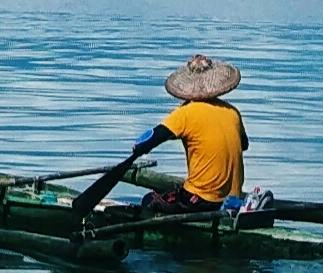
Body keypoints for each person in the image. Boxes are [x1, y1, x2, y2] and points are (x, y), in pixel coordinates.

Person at [78, 55, 251, 213]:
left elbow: (148, 140)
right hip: (232, 199)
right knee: (174, 190)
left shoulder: (185, 113)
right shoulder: (232, 112)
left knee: (149, 200)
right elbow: (243, 145)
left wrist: (137, 148)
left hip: (200, 201)